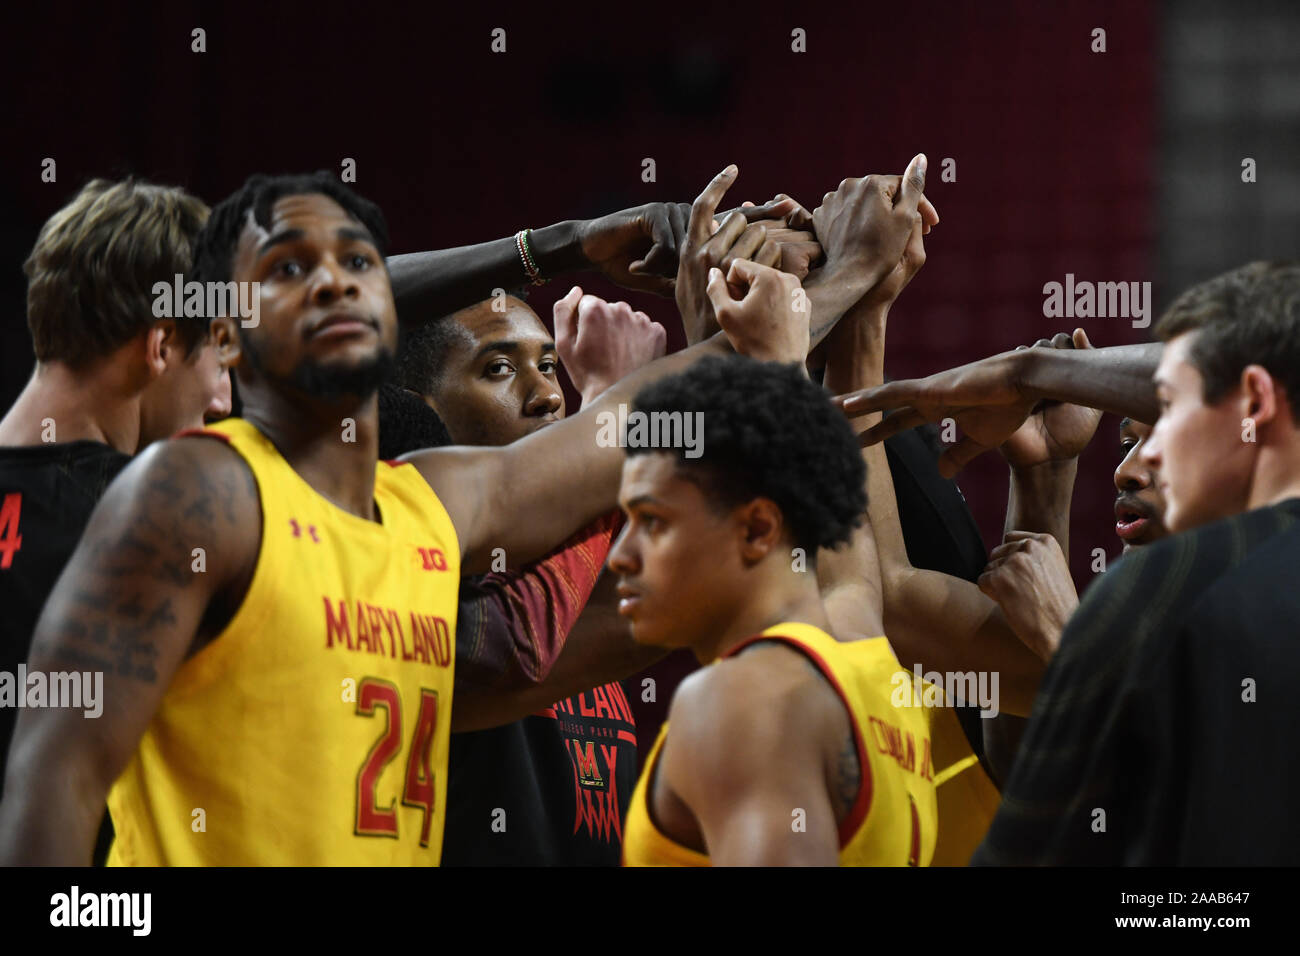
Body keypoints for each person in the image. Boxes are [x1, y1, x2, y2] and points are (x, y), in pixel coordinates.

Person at [0, 164, 864, 865]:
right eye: (289, 270)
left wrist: (822, 287)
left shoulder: (435, 501)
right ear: (228, 333)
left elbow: (623, 422)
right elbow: (55, 783)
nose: (333, 282)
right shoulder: (195, 489)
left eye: (357, 263)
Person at [970, 260, 1300, 864]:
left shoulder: (1252, 613)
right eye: (1127, 441)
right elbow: (1040, 790)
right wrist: (1044, 473)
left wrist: (1071, 641)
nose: (1128, 469)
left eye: (1168, 428)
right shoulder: (1155, 601)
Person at [614, 343, 937, 866]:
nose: (620, 556)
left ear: (758, 529)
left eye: (652, 521)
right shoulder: (870, 657)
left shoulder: (743, 699)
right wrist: (805, 340)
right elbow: (850, 565)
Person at [390, 289, 664, 864]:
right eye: (498, 369)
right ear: (422, 413)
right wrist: (611, 401)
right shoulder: (415, 587)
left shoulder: (587, 567)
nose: (547, 396)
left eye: (548, 365)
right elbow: (522, 642)